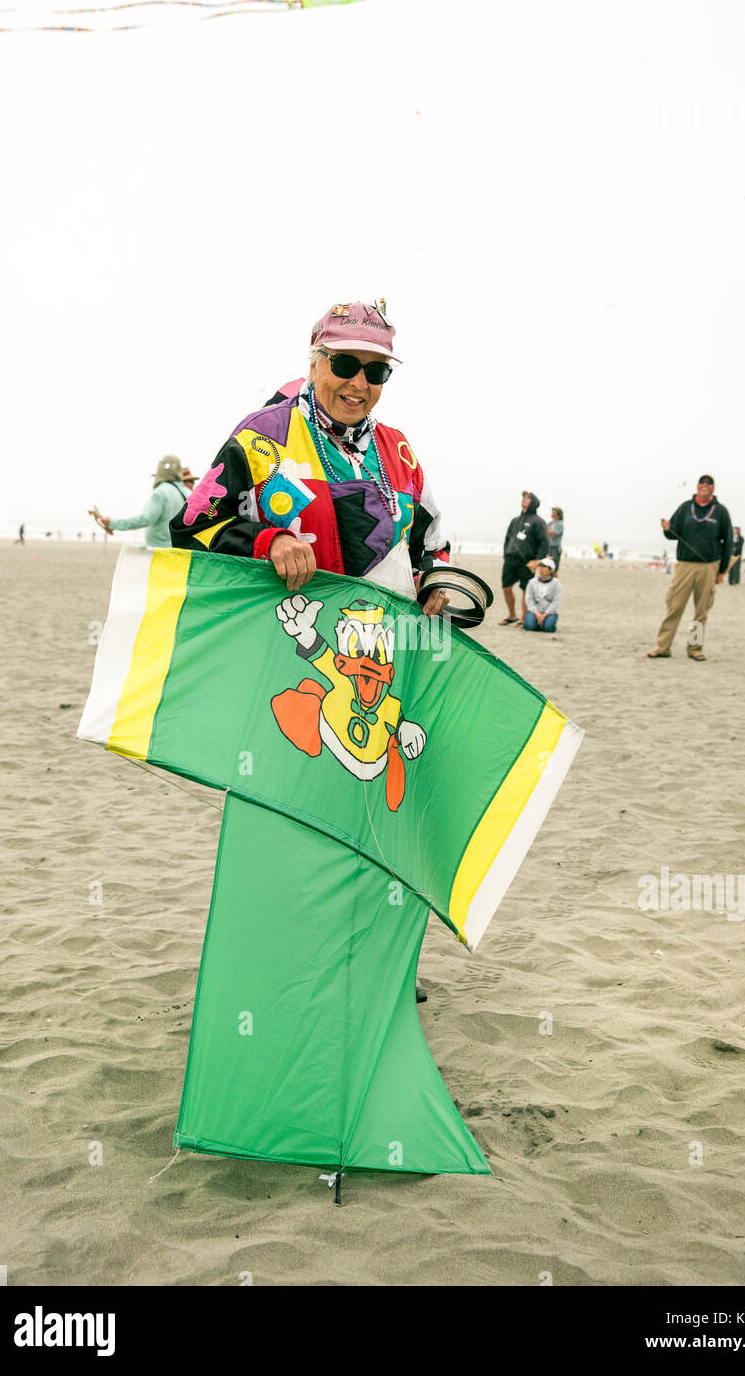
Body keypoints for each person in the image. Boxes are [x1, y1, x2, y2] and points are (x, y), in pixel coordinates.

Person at [168, 299, 451, 1004]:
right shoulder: (264, 436)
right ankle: (289, 959)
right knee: (294, 803)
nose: (358, 383)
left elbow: (430, 538)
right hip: (296, 655)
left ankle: (382, 962)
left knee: (382, 806)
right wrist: (270, 540)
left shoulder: (400, 451)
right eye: (345, 364)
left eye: (375, 370)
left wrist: (438, 583)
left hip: (388, 662)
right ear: (315, 360)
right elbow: (191, 524)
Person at [645, 474, 733, 662]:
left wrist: (722, 571)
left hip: (709, 567)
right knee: (674, 607)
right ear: (697, 486)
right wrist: (667, 528)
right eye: (702, 482)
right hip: (685, 565)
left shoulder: (721, 512)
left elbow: (727, 544)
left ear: (713, 489)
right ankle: (662, 647)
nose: (705, 486)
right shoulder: (685, 507)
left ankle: (694, 649)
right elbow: (673, 534)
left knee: (700, 612)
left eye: (709, 483)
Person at [97, 456, 190, 548]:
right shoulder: (188, 493)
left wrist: (113, 523)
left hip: (159, 552)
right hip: (180, 552)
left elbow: (145, 519)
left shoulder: (161, 493)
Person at [500, 491, 548, 624]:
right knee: (506, 588)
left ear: (534, 502)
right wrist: (506, 552)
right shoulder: (515, 520)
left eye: (528, 498)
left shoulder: (539, 522)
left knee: (525, 589)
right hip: (510, 559)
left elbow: (544, 543)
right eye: (524, 497)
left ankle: (523, 617)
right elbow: (508, 538)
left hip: (527, 561)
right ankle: (512, 615)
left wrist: (537, 560)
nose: (524, 499)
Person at [523, 558, 561, 632]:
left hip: (549, 612)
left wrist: (544, 615)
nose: (541, 568)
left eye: (544, 566)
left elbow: (556, 602)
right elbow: (529, 599)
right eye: (540, 565)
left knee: (548, 628)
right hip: (534, 611)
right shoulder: (532, 582)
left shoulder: (557, 584)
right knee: (530, 627)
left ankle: (546, 621)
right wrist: (537, 614)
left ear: (550, 570)